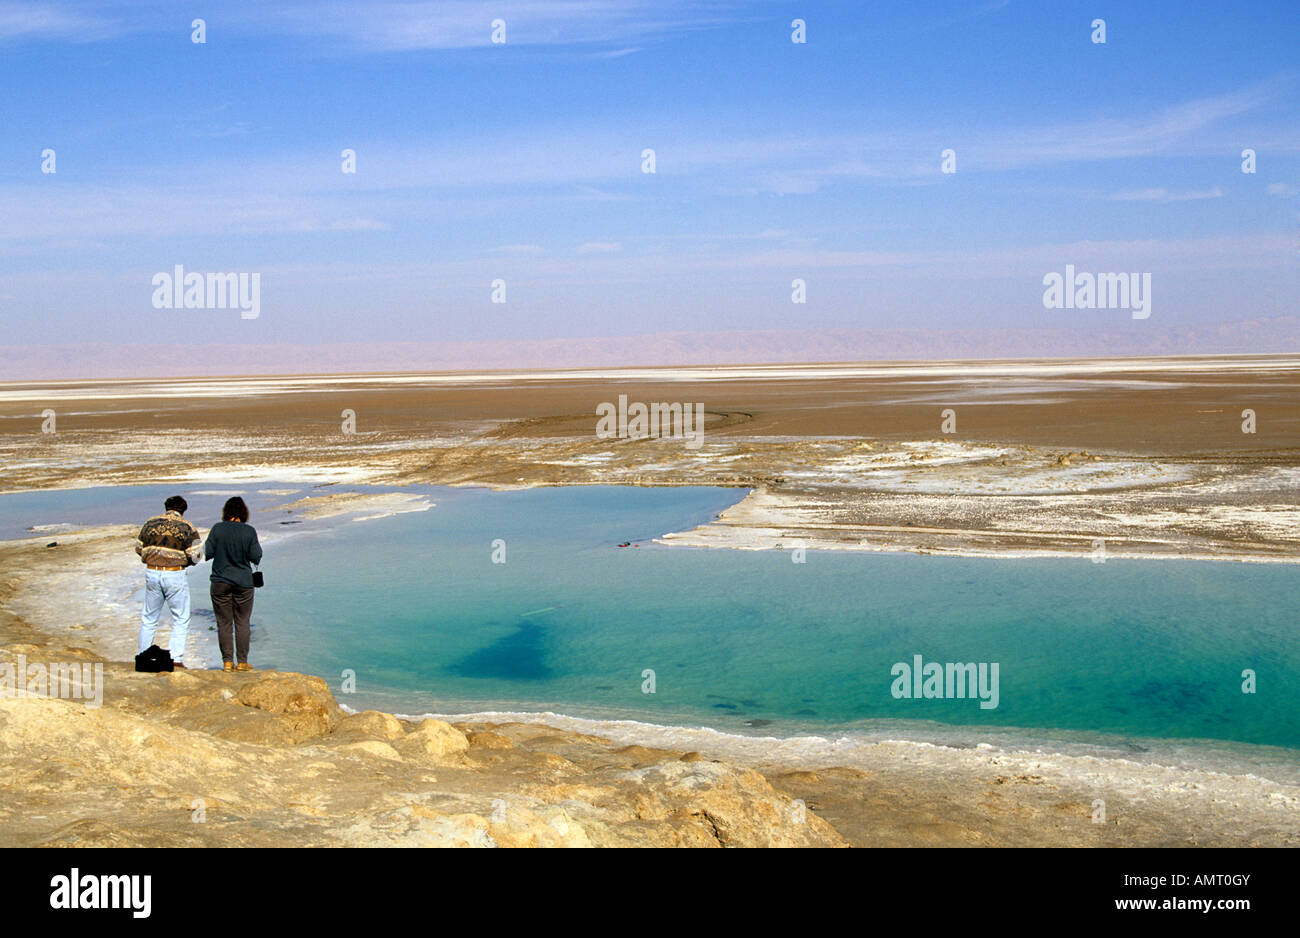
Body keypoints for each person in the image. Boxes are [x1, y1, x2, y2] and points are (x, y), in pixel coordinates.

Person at [136, 495, 203, 669]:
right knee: (181, 618)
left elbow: (138, 548)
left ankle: (143, 655)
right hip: (174, 574)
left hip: (152, 571)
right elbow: (196, 555)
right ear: (183, 510)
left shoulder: (150, 523)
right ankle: (175, 658)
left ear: (166, 507)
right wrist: (183, 562)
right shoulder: (188, 527)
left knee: (149, 617)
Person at [205, 496, 262, 672]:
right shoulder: (249, 531)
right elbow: (256, 556)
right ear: (243, 513)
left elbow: (207, 553)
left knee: (224, 623)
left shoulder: (217, 529)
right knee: (243, 622)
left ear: (226, 512)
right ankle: (243, 662)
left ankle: (227, 662)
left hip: (220, 581)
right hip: (244, 582)